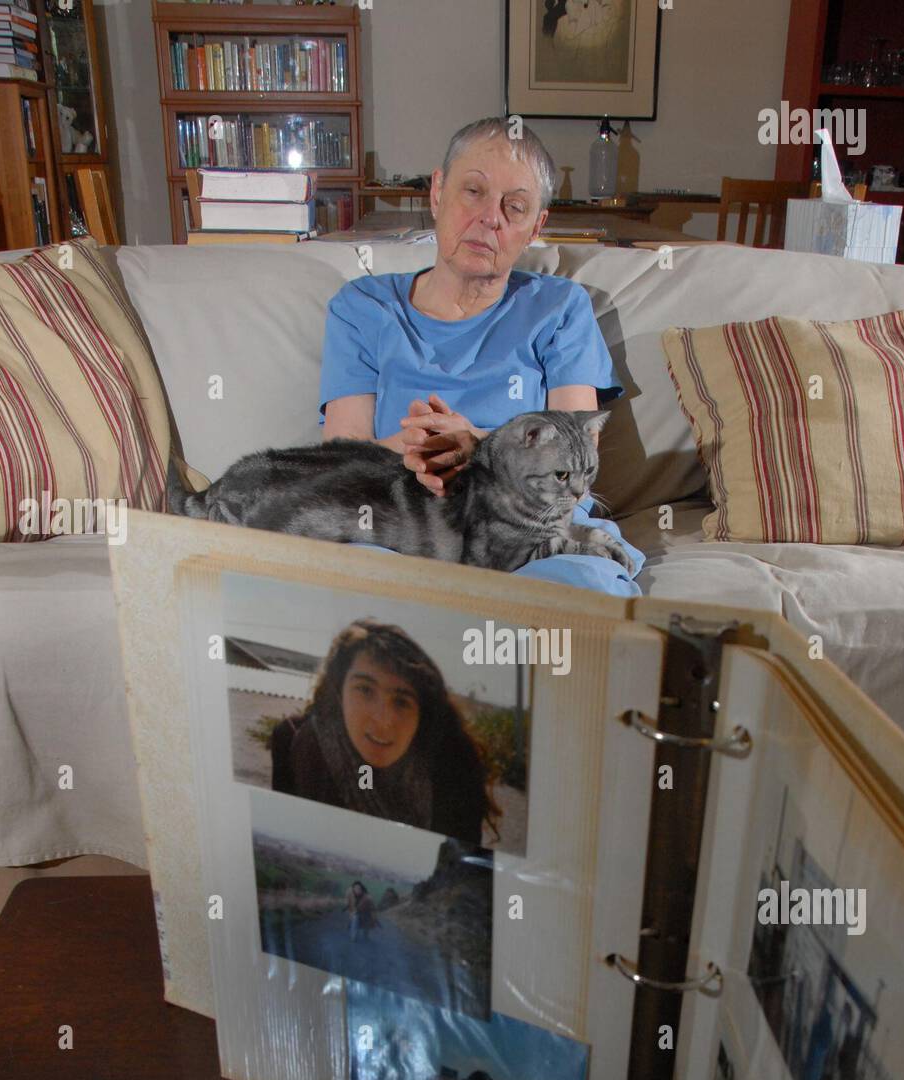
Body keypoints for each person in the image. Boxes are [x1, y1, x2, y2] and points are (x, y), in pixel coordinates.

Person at [319, 116, 645, 597]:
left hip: (532, 531)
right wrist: (426, 451)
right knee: (345, 587)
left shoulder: (559, 307)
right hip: (401, 529)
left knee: (588, 593)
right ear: (437, 192)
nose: (490, 217)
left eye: (514, 207)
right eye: (473, 191)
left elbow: (579, 448)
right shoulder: (362, 307)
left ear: (537, 226)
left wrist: (479, 447)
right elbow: (342, 463)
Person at [270, 619, 500, 843]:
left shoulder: (453, 775)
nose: (383, 720)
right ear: (339, 692)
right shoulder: (293, 741)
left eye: (401, 702)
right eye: (365, 690)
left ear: (423, 712)